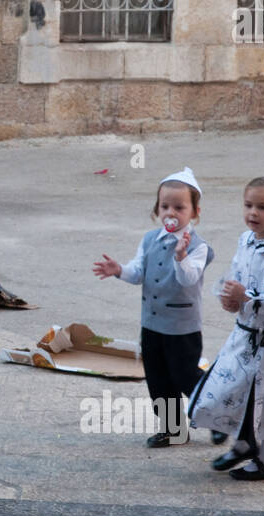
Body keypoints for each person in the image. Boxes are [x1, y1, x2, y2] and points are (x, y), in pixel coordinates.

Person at [190, 177, 264, 480]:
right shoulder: (246, 240)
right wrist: (228, 298)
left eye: (262, 207)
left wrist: (247, 298)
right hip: (245, 333)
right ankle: (237, 438)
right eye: (248, 205)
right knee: (228, 386)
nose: (253, 212)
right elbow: (235, 275)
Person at [93, 167, 217, 448]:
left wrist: (180, 256)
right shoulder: (149, 239)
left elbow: (189, 277)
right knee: (159, 379)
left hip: (182, 326)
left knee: (186, 376)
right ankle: (174, 430)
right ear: (157, 209)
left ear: (195, 212)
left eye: (179, 207)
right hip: (151, 324)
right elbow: (138, 272)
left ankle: (219, 418)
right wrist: (119, 270)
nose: (170, 212)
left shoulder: (198, 247)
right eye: (164, 206)